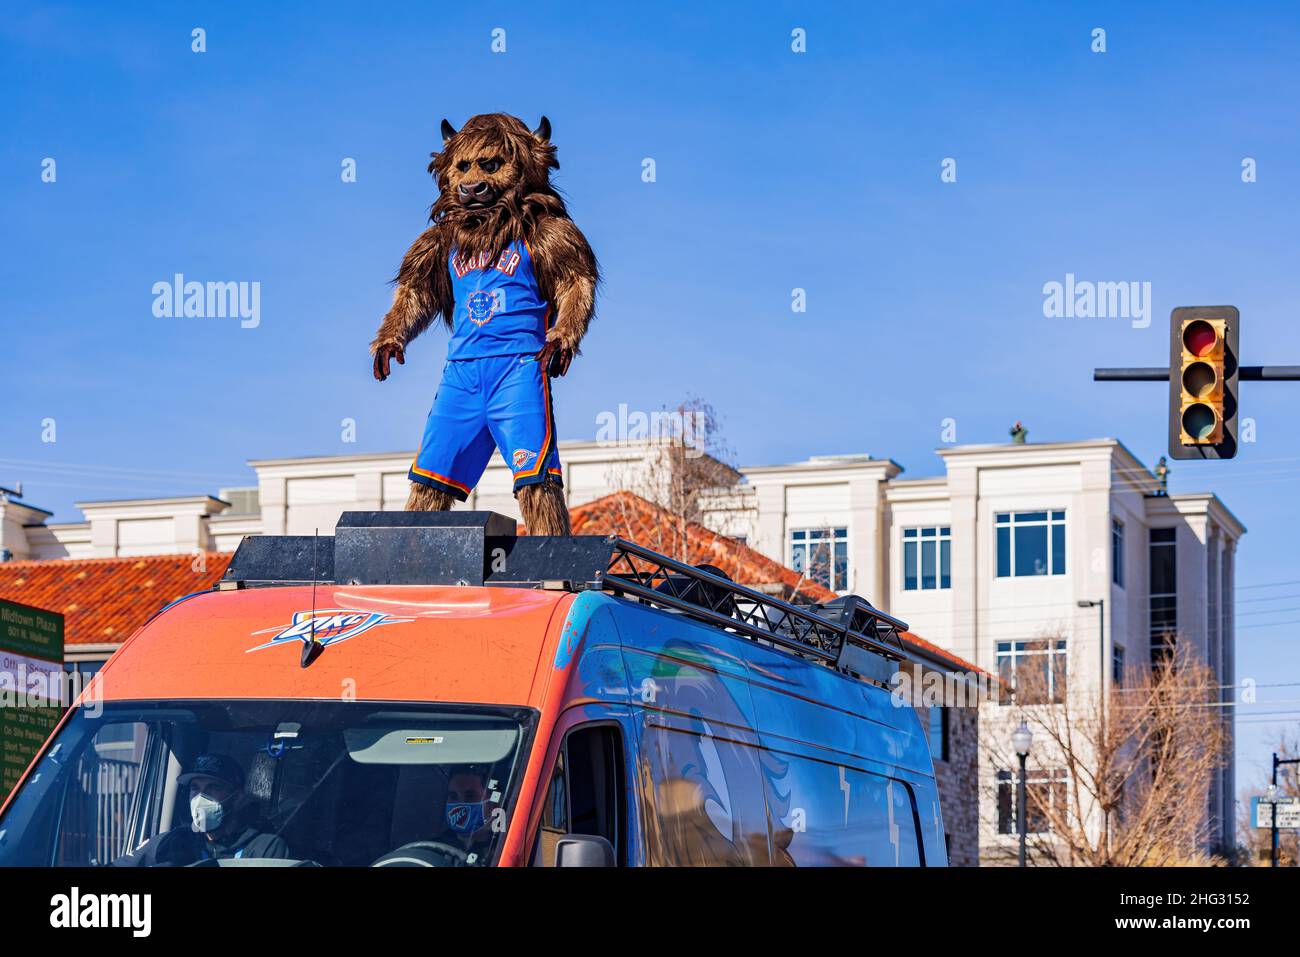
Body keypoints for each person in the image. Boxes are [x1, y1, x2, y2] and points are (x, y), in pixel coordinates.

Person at [113, 753, 291, 866]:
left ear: (237, 796)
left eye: (213, 788)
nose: (200, 797)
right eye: (195, 788)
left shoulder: (266, 847)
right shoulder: (176, 841)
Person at [429, 767, 497, 864]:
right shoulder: (433, 848)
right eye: (453, 796)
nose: (461, 803)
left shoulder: (503, 848)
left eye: (470, 796)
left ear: (493, 803)